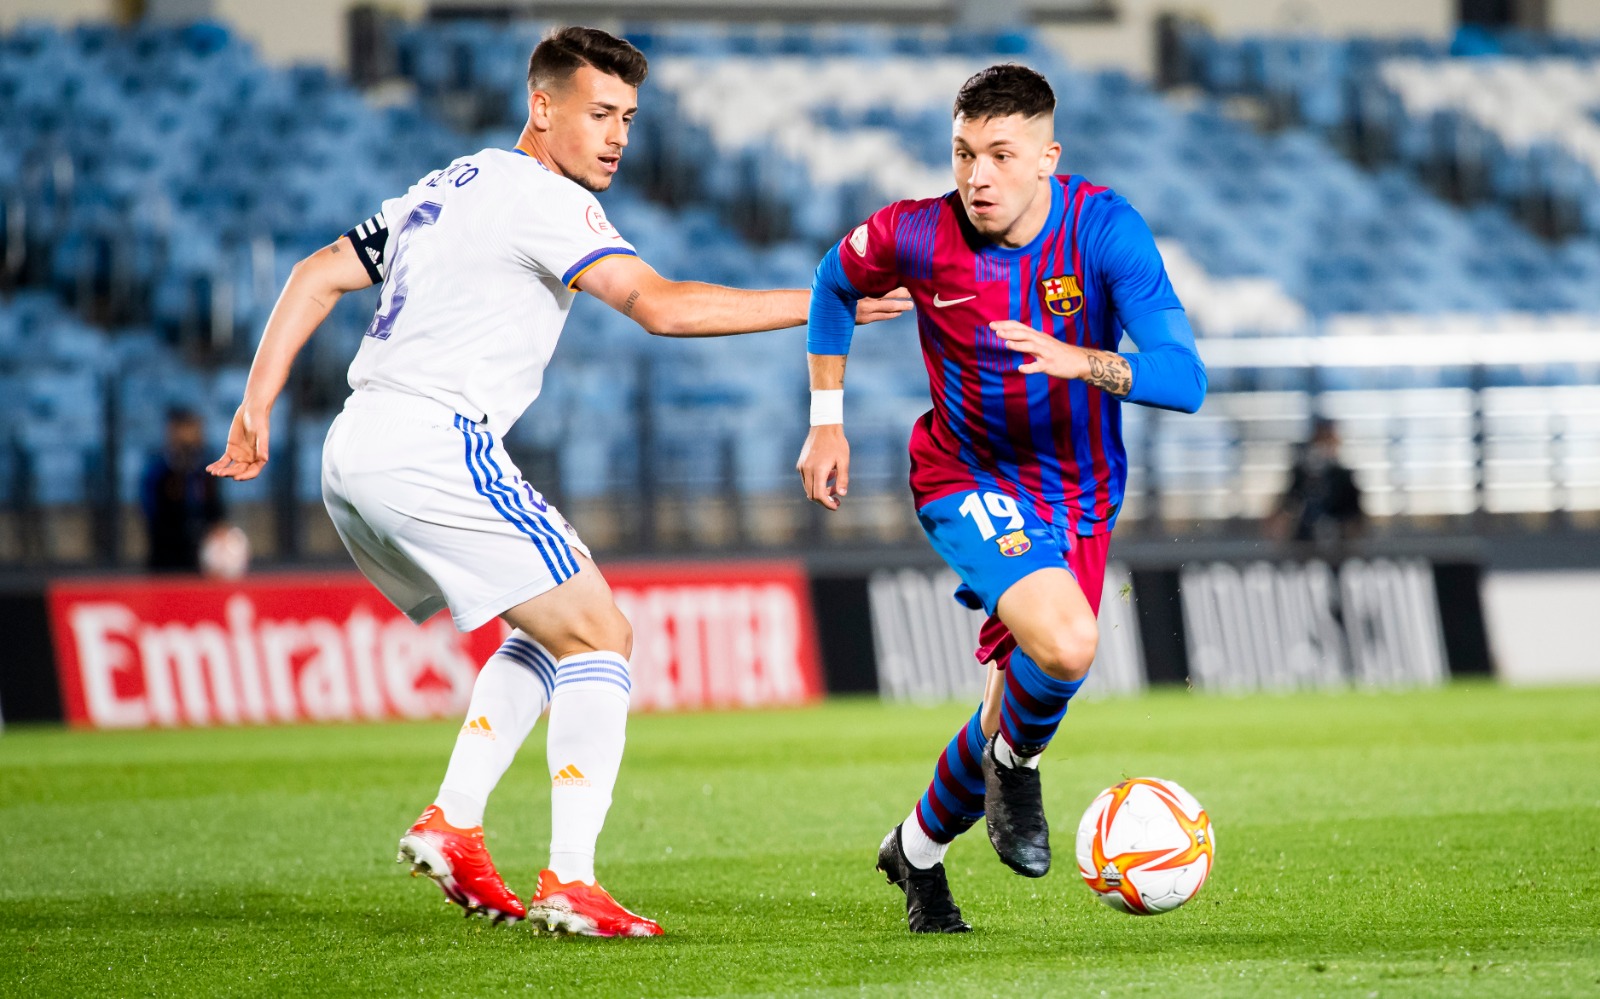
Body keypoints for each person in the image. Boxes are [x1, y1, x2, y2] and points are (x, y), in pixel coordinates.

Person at [208, 26, 908, 938]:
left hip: (357, 447)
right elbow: (659, 307)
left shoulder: (446, 184)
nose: (618, 136)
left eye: (628, 117)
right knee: (602, 632)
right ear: (542, 109)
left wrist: (256, 403)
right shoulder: (544, 198)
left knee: (550, 631)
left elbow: (314, 273)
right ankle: (570, 880)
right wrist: (828, 302)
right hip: (429, 438)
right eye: (599, 113)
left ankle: (456, 820)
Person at [797, 64, 1207, 932]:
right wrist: (825, 422)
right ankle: (1015, 769)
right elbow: (833, 285)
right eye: (963, 153)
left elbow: (1186, 377)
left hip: (1081, 492)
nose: (977, 175)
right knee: (1066, 644)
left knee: (1017, 685)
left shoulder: (1106, 231)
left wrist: (1083, 360)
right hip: (967, 474)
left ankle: (914, 850)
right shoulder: (914, 233)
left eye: (1000, 155)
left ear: (1047, 159)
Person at [141, 407, 226, 572]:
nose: (191, 436)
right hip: (165, 563)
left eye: (195, 429)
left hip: (202, 565)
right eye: (185, 429)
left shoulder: (206, 472)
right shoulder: (158, 472)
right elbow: (153, 514)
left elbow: (215, 512)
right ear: (172, 432)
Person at [1270, 416, 1364, 543]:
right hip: (1304, 544)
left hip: (1338, 546)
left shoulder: (1344, 478)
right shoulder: (1301, 476)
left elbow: (1356, 519)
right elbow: (1285, 508)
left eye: (1328, 440)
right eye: (1320, 441)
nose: (1323, 447)